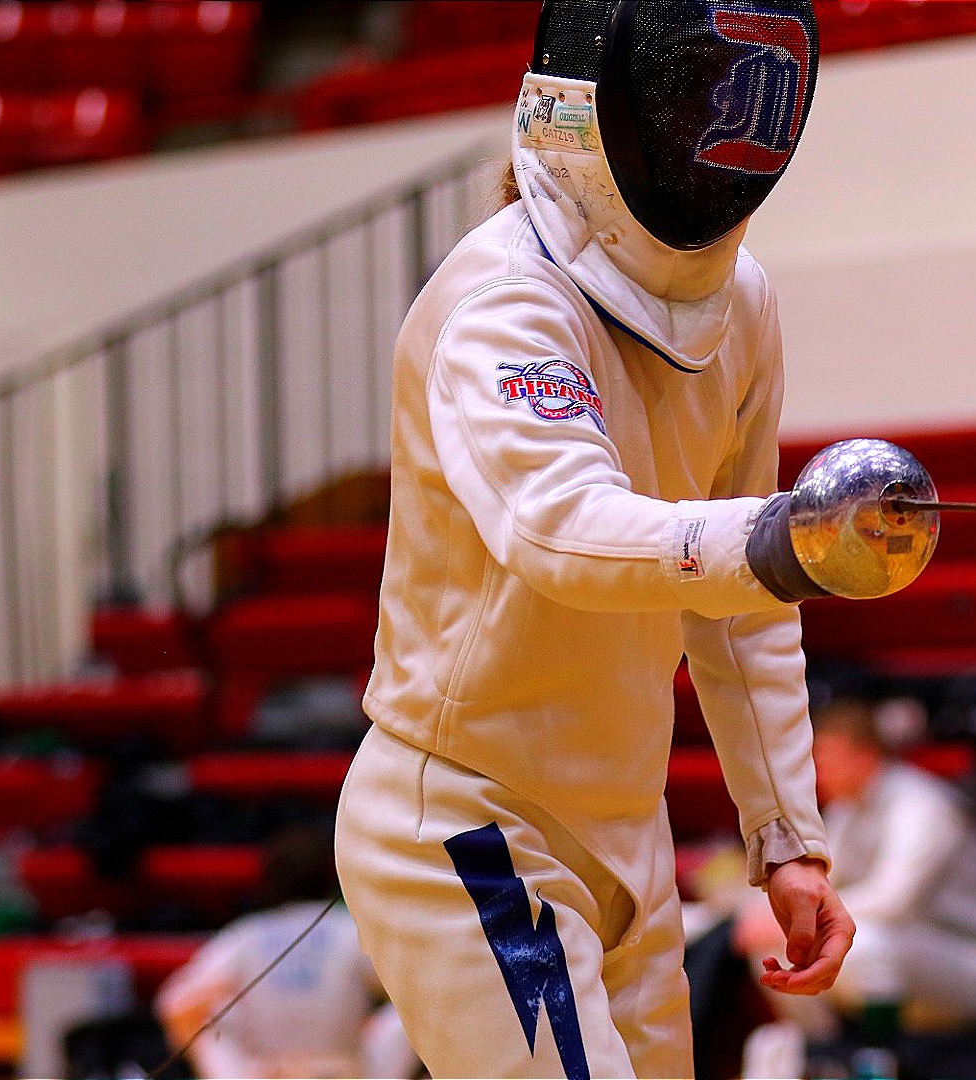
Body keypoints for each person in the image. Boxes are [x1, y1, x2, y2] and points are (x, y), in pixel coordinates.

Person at [333, 4, 891, 1076]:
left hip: (628, 840)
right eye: (688, 92)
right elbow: (562, 529)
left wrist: (787, 840)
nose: (713, 124)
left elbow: (739, 605)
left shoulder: (743, 308)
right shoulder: (505, 302)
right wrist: (781, 542)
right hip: (468, 822)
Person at [735, 697, 976, 1042]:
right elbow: (826, 886)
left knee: (864, 946)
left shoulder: (921, 804)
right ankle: (825, 1057)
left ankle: (878, 1061)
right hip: (912, 947)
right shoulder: (847, 809)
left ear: (865, 754)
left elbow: (892, 901)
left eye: (826, 756)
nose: (817, 769)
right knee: (771, 941)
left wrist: (806, 917)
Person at [155, 823, 417, 1079]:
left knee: (210, 1022)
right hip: (346, 1072)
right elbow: (417, 987)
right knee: (413, 1010)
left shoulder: (246, 935)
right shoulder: (349, 929)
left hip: (264, 1073)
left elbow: (176, 1004)